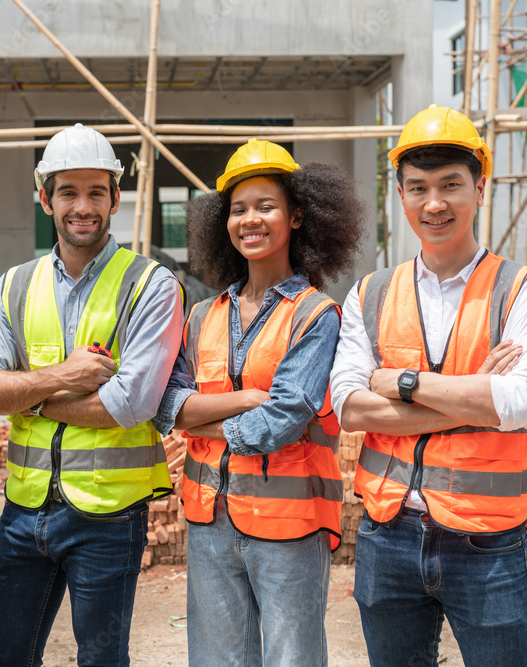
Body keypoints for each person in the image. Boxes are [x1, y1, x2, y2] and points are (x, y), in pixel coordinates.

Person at [329, 104, 527, 666]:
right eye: (419, 188)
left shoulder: (521, 289)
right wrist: (475, 393)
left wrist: (401, 382)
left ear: (480, 189)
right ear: (400, 196)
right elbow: (350, 408)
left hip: (487, 541)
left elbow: (520, 404)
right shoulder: (372, 292)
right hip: (387, 535)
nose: (435, 203)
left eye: (451, 185)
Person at [0, 123, 184, 667]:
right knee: (8, 657)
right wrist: (61, 375)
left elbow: (130, 405)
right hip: (23, 509)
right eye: (68, 192)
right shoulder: (14, 285)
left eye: (95, 192)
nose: (82, 206)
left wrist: (25, 396)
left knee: (101, 660)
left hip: (108, 516)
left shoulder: (150, 285)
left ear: (114, 200)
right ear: (45, 198)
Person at [154, 138, 367, 666]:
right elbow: (166, 407)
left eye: (265, 206)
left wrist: (202, 421)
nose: (250, 220)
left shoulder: (316, 316)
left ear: (297, 216)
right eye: (239, 209)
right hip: (209, 520)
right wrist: (248, 399)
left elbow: (280, 422)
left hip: (289, 526)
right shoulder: (202, 316)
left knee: (291, 659)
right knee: (215, 659)